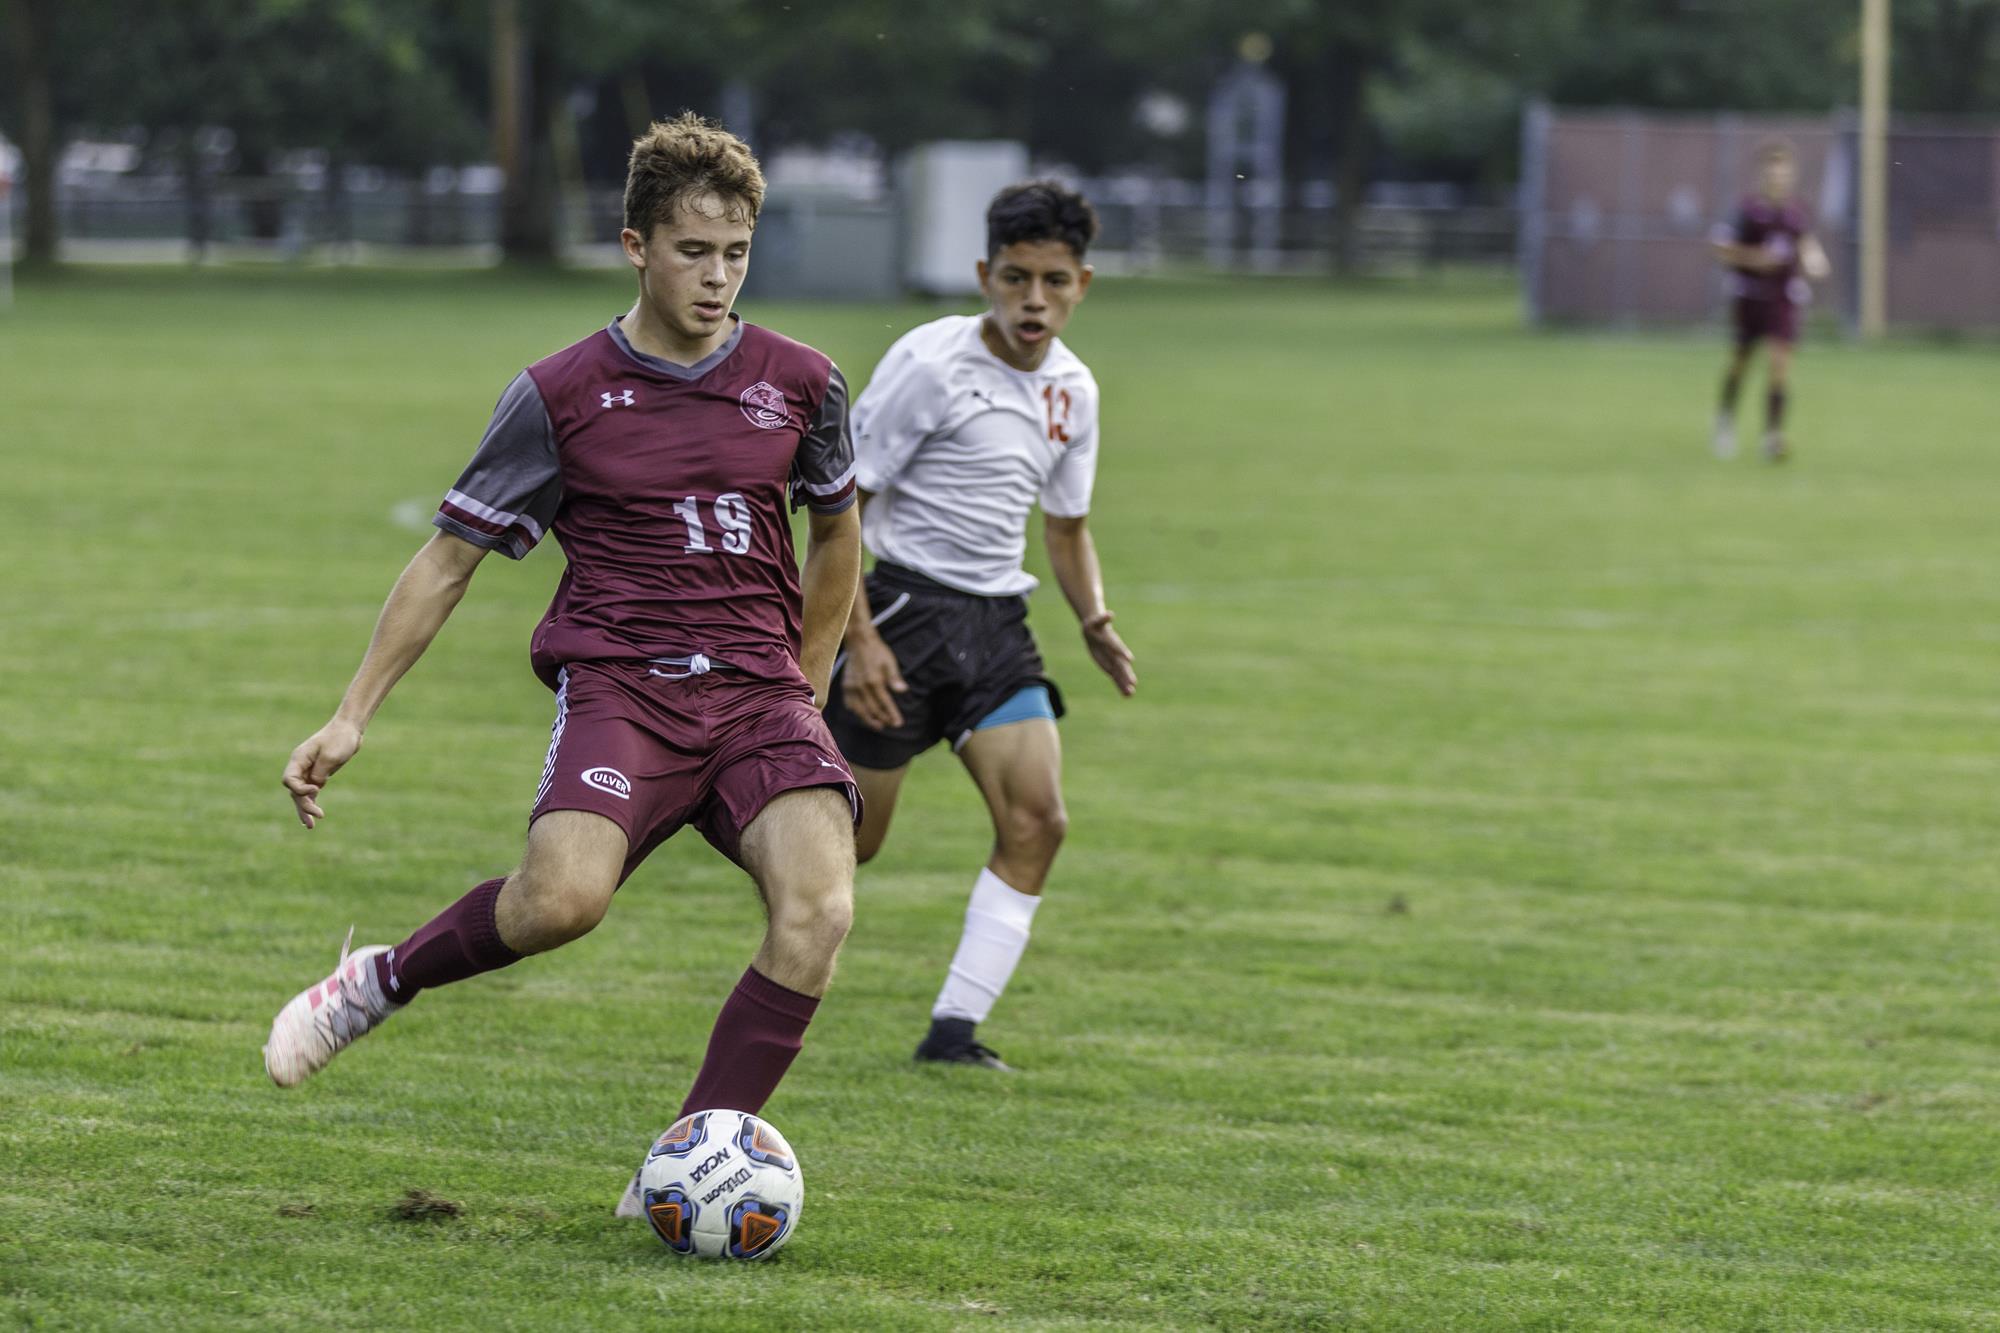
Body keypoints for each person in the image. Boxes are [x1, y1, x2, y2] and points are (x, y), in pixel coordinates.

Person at [262, 115, 864, 1212]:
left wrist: (809, 680)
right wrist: (351, 714)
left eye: (735, 253)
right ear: (635, 246)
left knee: (819, 910)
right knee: (561, 901)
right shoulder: (560, 394)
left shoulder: (804, 381)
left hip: (758, 697)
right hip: (624, 688)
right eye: (692, 251)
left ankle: (684, 1163)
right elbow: (447, 562)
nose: (717, 277)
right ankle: (378, 980)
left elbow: (836, 531)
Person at [823, 181, 1136, 1071]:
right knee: (848, 847)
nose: (1034, 300)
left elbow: (1066, 528)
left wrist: (1093, 616)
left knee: (1038, 820)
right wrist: (860, 640)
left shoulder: (1074, 390)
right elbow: (838, 509)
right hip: (902, 613)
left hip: (997, 625)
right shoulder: (931, 365)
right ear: (983, 276)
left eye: (1054, 281)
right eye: (1015, 278)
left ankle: (953, 1032)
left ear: (1082, 285)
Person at [1711, 141, 1831, 463]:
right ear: (1763, 175)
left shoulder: (1796, 212)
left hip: (1782, 298)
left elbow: (1806, 243)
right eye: (1773, 174)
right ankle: (1725, 420)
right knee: (1741, 362)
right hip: (1750, 296)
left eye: (1784, 174)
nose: (1779, 179)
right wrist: (1755, 258)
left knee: (1780, 364)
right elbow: (1720, 248)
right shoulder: (1746, 210)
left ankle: (1772, 436)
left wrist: (1815, 260)